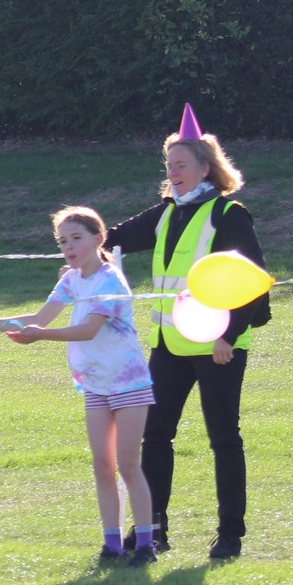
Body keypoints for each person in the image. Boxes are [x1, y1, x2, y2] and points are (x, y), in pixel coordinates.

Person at [103, 117, 270, 560]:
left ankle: (230, 534)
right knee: (155, 435)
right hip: (169, 346)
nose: (172, 171)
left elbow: (254, 280)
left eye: (180, 164)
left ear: (204, 168)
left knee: (223, 438)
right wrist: (79, 242)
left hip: (219, 349)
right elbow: (112, 239)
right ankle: (152, 531)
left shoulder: (229, 215)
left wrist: (229, 336)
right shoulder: (165, 212)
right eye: (169, 165)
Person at [0, 208, 157, 565]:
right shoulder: (71, 280)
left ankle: (144, 544)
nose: (68, 247)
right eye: (62, 241)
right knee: (102, 464)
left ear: (98, 239)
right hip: (95, 383)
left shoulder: (110, 280)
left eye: (76, 238)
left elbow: (88, 330)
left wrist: (41, 336)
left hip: (128, 382)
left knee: (128, 464)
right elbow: (39, 318)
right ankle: (111, 545)